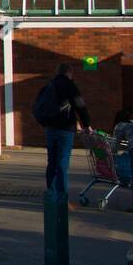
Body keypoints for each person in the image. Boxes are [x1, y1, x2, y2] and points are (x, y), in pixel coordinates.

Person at [32, 63, 92, 201]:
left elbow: (38, 106)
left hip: (50, 128)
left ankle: (51, 193)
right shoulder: (69, 85)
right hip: (65, 129)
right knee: (62, 162)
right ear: (69, 73)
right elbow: (79, 105)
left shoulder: (48, 86)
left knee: (52, 161)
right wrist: (86, 124)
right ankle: (61, 195)